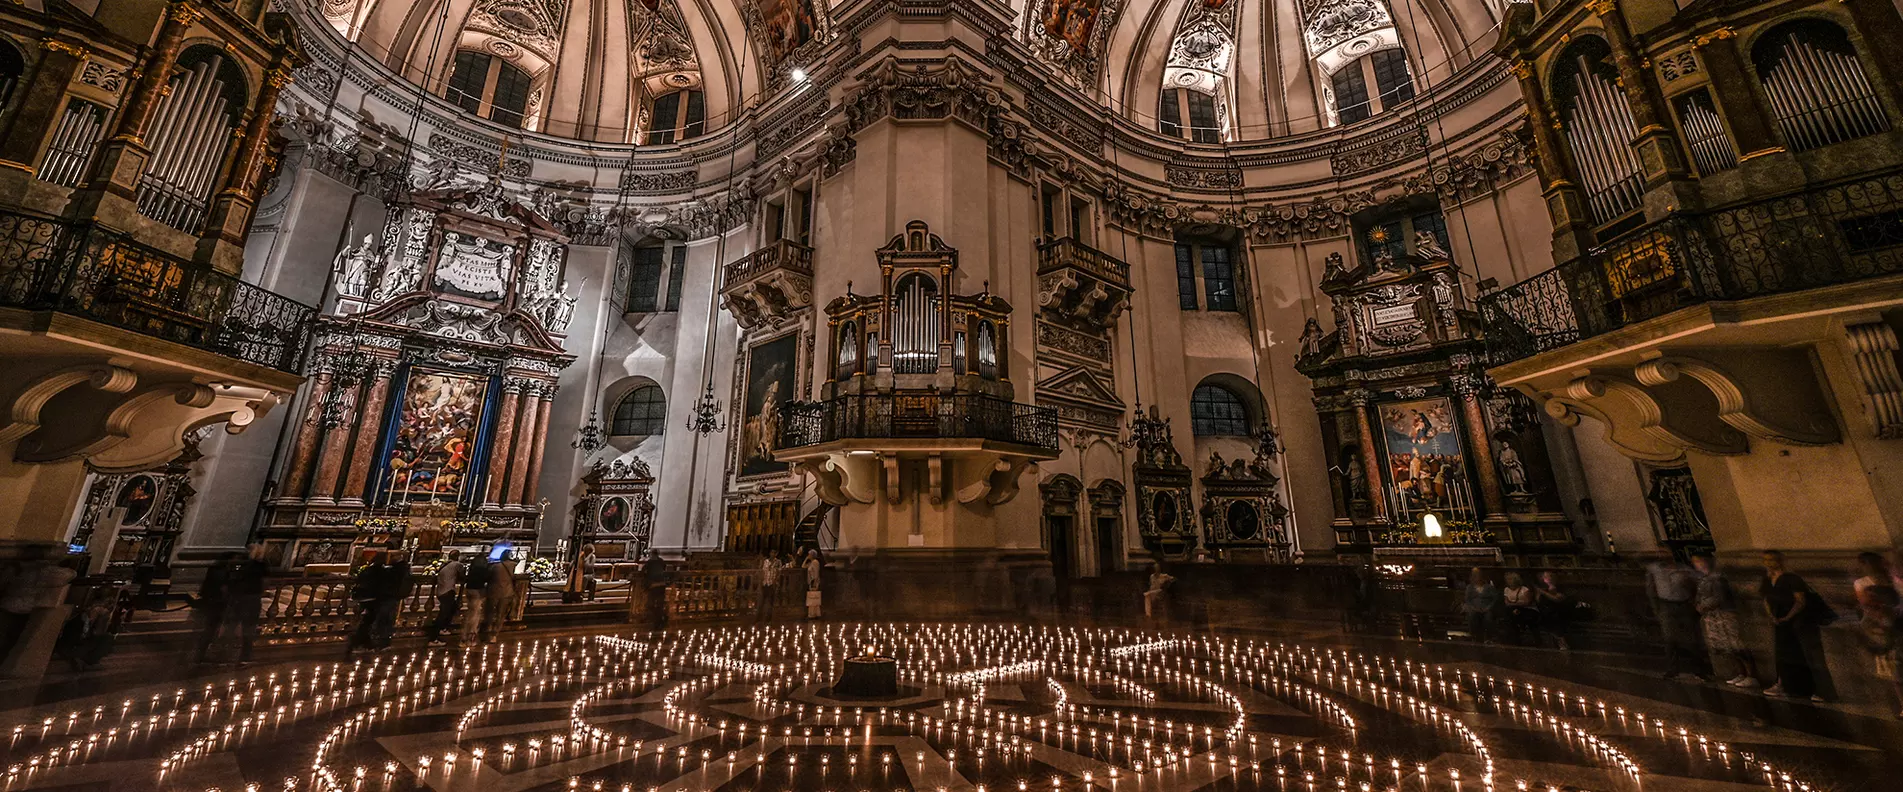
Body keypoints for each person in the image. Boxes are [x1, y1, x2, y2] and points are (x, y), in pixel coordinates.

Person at [1760, 550, 1834, 701]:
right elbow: (1766, 599)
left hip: (1799, 621)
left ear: (1780, 561)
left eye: (1772, 559)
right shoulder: (1767, 580)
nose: (1768, 563)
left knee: (1809, 656)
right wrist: (1773, 616)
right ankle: (1788, 685)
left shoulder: (1792, 578)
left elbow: (1800, 600)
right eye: (1766, 560)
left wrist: (1787, 617)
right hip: (1780, 621)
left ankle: (1822, 691)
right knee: (1784, 655)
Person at [1690, 551, 1758, 688]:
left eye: (1699, 561)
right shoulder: (1703, 579)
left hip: (1725, 615)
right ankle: (1740, 672)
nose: (1697, 565)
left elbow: (1719, 597)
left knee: (1736, 644)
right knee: (1727, 647)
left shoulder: (1718, 578)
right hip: (1713, 616)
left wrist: (1704, 606)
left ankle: (1751, 675)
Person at [0, 545, 78, 663]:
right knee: (8, 643)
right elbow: (71, 574)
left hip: (6, 606)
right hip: (24, 611)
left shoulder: (15, 568)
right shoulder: (45, 571)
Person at [1647, 556, 1706, 681]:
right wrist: (1656, 609)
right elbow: (1651, 589)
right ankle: (1673, 669)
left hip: (1683, 604)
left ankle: (1699, 670)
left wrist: (1694, 600)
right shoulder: (1654, 569)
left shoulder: (1683, 570)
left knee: (1692, 638)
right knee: (1669, 639)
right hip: (1666, 606)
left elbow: (1697, 582)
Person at [1853, 576, 1903, 718]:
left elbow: (1890, 627)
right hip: (1893, 650)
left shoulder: (1889, 611)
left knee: (1899, 679)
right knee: (1898, 680)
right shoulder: (1869, 614)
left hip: (1896, 648)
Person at [224, 545, 269, 664]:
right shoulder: (260, 566)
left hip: (241, 597)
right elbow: (264, 582)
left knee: (233, 625)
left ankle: (225, 654)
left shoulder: (243, 564)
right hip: (251, 598)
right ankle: (244, 655)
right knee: (248, 628)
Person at [193, 552, 240, 664]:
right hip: (217, 603)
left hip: (210, 601)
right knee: (210, 630)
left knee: (209, 629)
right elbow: (224, 589)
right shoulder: (223, 572)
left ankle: (201, 654)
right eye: (235, 559)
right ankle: (202, 655)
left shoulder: (214, 568)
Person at [345, 551, 387, 657]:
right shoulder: (381, 571)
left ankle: (365, 643)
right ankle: (358, 643)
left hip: (364, 598)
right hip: (372, 598)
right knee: (368, 621)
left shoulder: (367, 570)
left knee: (367, 621)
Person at [427, 551, 463, 645]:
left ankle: (443, 628)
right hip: (448, 591)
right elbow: (462, 575)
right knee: (443, 615)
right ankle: (433, 638)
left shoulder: (445, 564)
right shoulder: (457, 564)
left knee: (453, 608)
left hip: (441, 590)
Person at [1534, 570, 1575, 651]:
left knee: (1554, 617)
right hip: (1547, 611)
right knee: (1546, 617)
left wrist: (1543, 592)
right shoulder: (1543, 589)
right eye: (1544, 577)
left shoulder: (1559, 588)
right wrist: (1539, 593)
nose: (1545, 579)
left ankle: (1562, 641)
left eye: (1547, 577)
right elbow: (1538, 601)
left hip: (1560, 610)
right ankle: (1559, 641)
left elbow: (1558, 599)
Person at [459, 553, 493, 644]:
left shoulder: (472, 569)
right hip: (478, 591)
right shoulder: (484, 570)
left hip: (469, 589)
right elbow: (488, 578)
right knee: (475, 614)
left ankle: (464, 634)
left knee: (470, 613)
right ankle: (471, 636)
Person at [1459, 568, 1500, 644]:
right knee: (1472, 616)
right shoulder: (1470, 587)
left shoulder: (1489, 587)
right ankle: (1475, 636)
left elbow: (1495, 599)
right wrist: (1473, 608)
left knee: (1488, 618)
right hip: (1474, 608)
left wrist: (1488, 607)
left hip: (1487, 608)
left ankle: (1489, 637)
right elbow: (1467, 600)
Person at [483, 552, 516, 642]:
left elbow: (487, 577)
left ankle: (488, 629)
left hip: (494, 592)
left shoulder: (495, 566)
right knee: (500, 614)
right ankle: (495, 634)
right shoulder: (513, 565)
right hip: (507, 593)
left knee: (490, 612)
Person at [1503, 573, 1539, 646]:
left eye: (1510, 579)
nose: (1508, 581)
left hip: (1527, 609)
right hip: (1513, 609)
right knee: (1510, 616)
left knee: (1524, 617)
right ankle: (1516, 639)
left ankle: (1536, 639)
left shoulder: (1524, 589)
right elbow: (1506, 602)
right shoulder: (1506, 590)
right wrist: (1516, 604)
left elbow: (1527, 602)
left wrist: (1514, 604)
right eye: (1507, 580)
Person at [756, 549, 782, 623]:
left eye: (774, 553)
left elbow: (779, 573)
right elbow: (763, 571)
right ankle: (759, 618)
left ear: (776, 554)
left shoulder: (778, 562)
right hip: (765, 582)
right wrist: (761, 581)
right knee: (762, 601)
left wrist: (775, 582)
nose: (772, 554)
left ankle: (768, 619)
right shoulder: (766, 561)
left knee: (770, 602)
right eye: (771, 552)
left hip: (772, 583)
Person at [802, 550, 823, 620]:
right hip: (811, 581)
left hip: (814, 581)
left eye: (809, 554)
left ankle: (813, 614)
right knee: (812, 597)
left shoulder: (815, 562)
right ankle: (814, 613)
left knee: (813, 597)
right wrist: (806, 559)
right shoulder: (811, 563)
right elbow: (803, 566)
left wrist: (815, 581)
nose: (808, 555)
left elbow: (816, 572)